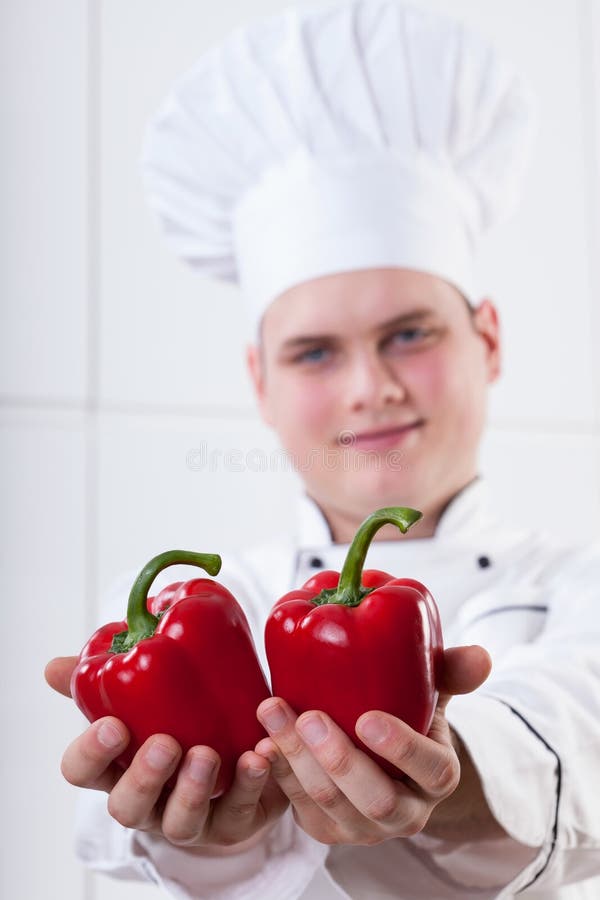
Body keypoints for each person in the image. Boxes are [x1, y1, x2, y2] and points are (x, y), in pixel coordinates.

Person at [45, 1, 600, 897]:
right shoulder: (205, 607)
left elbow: (581, 723)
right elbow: (114, 829)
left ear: (489, 340)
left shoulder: (581, 585)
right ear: (259, 382)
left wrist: (452, 768)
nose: (369, 387)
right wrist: (208, 831)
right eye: (314, 353)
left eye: (409, 333)